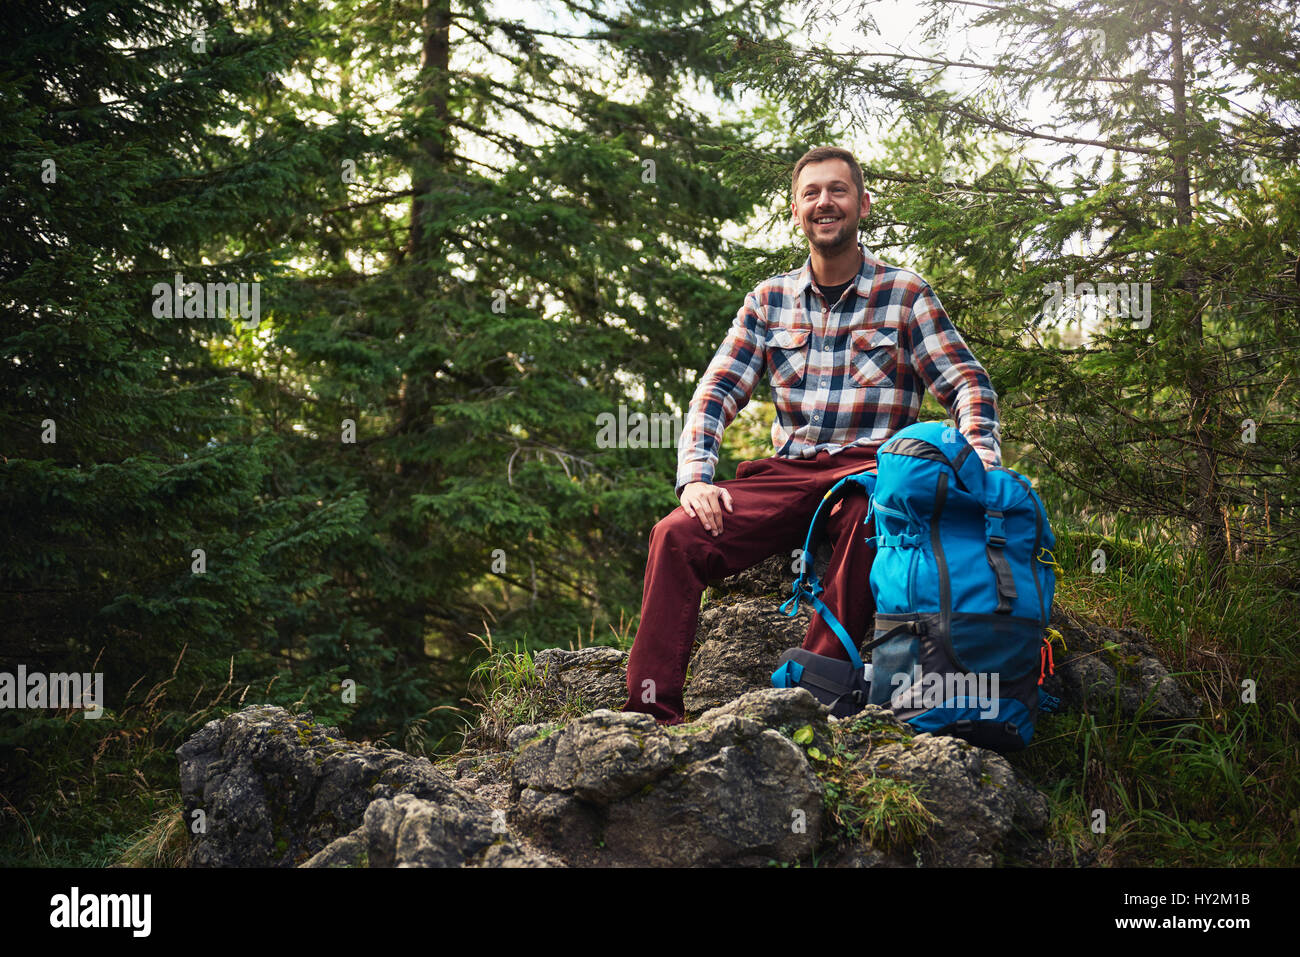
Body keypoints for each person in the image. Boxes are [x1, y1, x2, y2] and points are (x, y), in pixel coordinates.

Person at [621, 146, 1002, 725]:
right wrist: (696, 479)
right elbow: (716, 393)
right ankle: (652, 714)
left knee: (872, 519)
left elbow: (968, 386)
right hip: (789, 473)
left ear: (863, 205)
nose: (825, 202)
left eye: (838, 191)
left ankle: (816, 695)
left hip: (872, 470)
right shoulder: (768, 301)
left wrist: (978, 469)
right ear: (796, 210)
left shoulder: (904, 295)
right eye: (811, 194)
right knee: (677, 534)